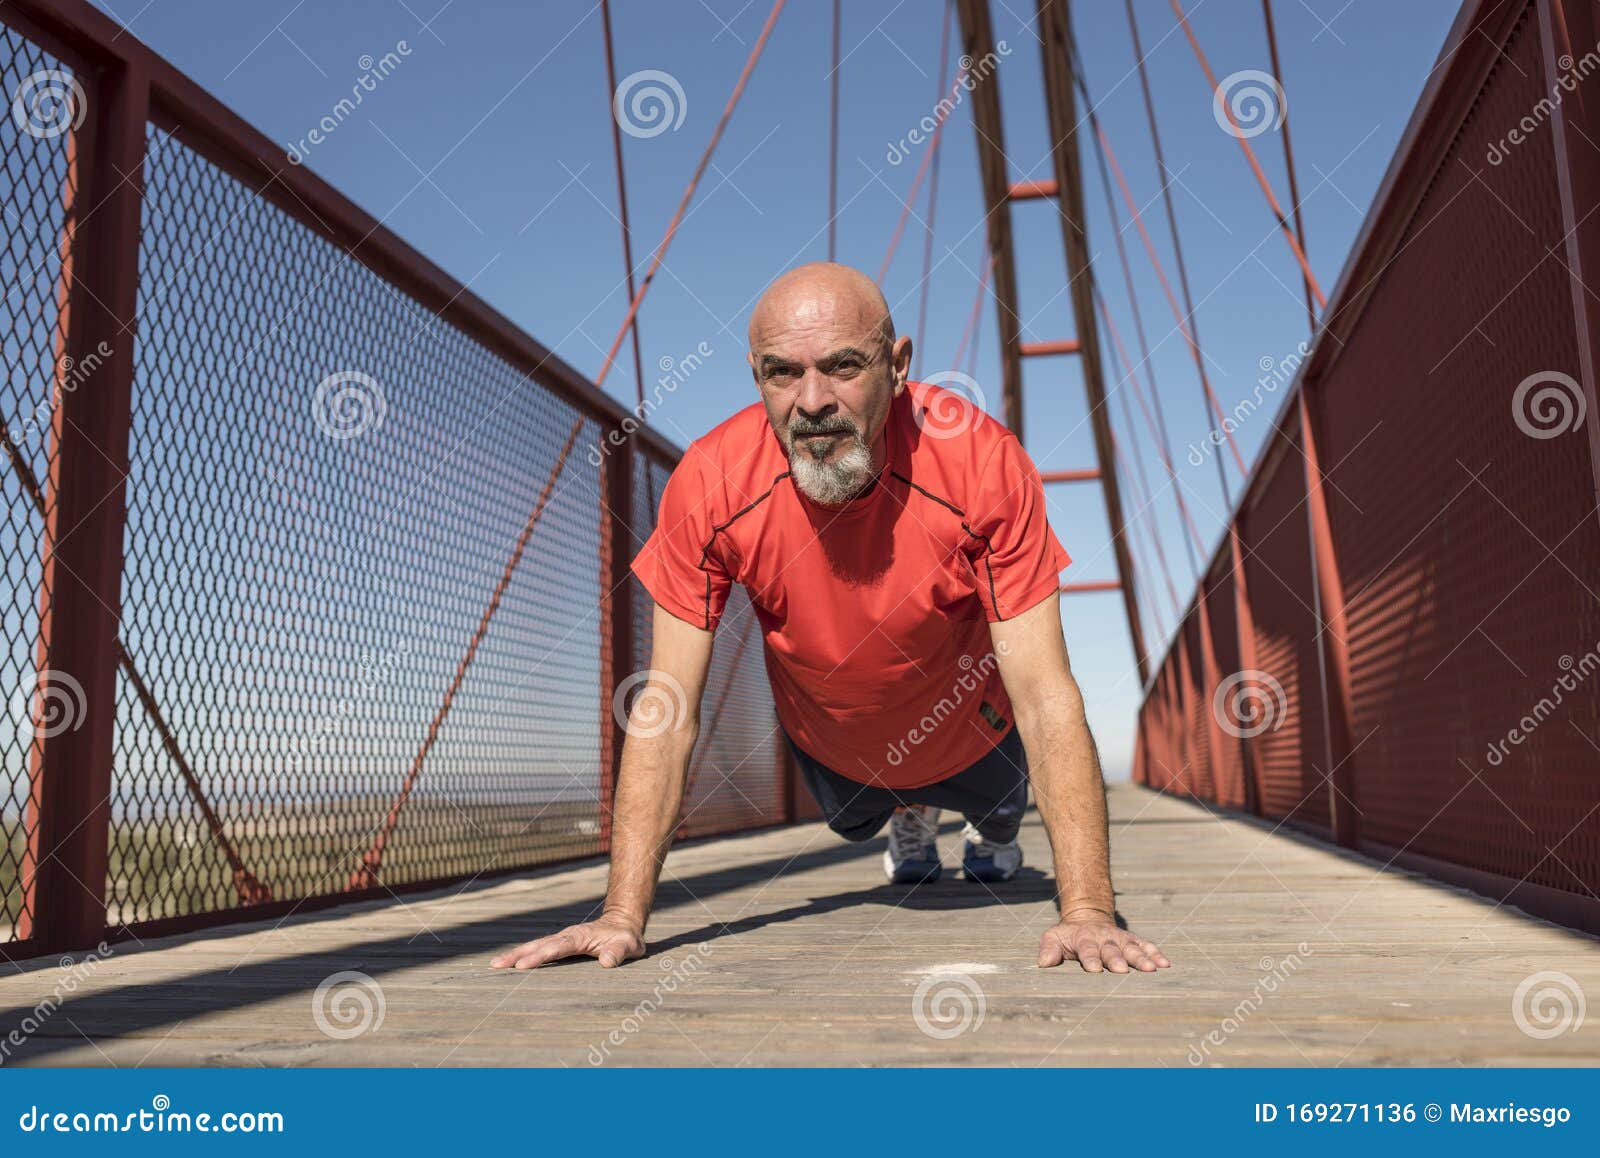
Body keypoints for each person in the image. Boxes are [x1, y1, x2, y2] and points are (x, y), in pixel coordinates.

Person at [491, 263, 1170, 976]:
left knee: (999, 816)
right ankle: (908, 815)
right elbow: (666, 703)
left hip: (973, 733)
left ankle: (987, 826)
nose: (812, 401)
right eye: (783, 374)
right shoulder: (712, 482)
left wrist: (1089, 911)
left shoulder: (980, 462)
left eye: (843, 366)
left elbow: (1044, 692)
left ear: (899, 365)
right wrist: (621, 916)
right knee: (857, 821)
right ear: (755, 375)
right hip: (837, 748)